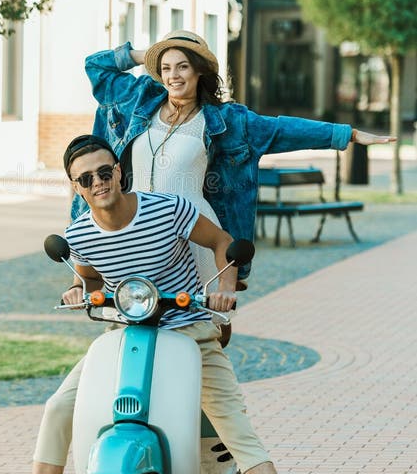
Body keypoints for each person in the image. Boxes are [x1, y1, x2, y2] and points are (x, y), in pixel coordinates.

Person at [0, 135, 325, 474]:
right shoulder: (79, 234)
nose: (99, 183)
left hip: (189, 333)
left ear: (119, 171)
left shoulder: (167, 209)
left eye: (105, 172)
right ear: (76, 188)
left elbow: (222, 242)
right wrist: (75, 289)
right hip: (126, 338)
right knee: (57, 408)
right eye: (86, 179)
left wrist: (223, 288)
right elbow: (86, 278)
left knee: (234, 424)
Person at [79, 30, 394, 285]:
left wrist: (347, 134)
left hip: (192, 233)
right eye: (166, 68)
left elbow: (282, 129)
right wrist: (151, 52)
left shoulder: (227, 122)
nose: (173, 75)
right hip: (139, 228)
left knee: (197, 326)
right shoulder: (139, 102)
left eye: (183, 66)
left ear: (200, 71)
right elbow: (97, 67)